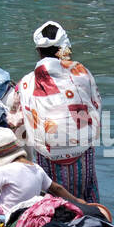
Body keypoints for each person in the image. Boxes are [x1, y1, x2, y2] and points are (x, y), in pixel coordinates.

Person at [12, 22, 102, 202]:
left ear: (38, 51)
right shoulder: (81, 73)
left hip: (48, 153)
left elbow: (15, 120)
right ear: (64, 48)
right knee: (87, 189)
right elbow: (96, 104)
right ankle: (94, 215)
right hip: (83, 148)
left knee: (54, 198)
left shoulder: (25, 83)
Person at [0, 135, 92, 213]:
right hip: (26, 212)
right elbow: (57, 188)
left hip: (6, 214)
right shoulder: (37, 168)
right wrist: (76, 200)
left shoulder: (7, 169)